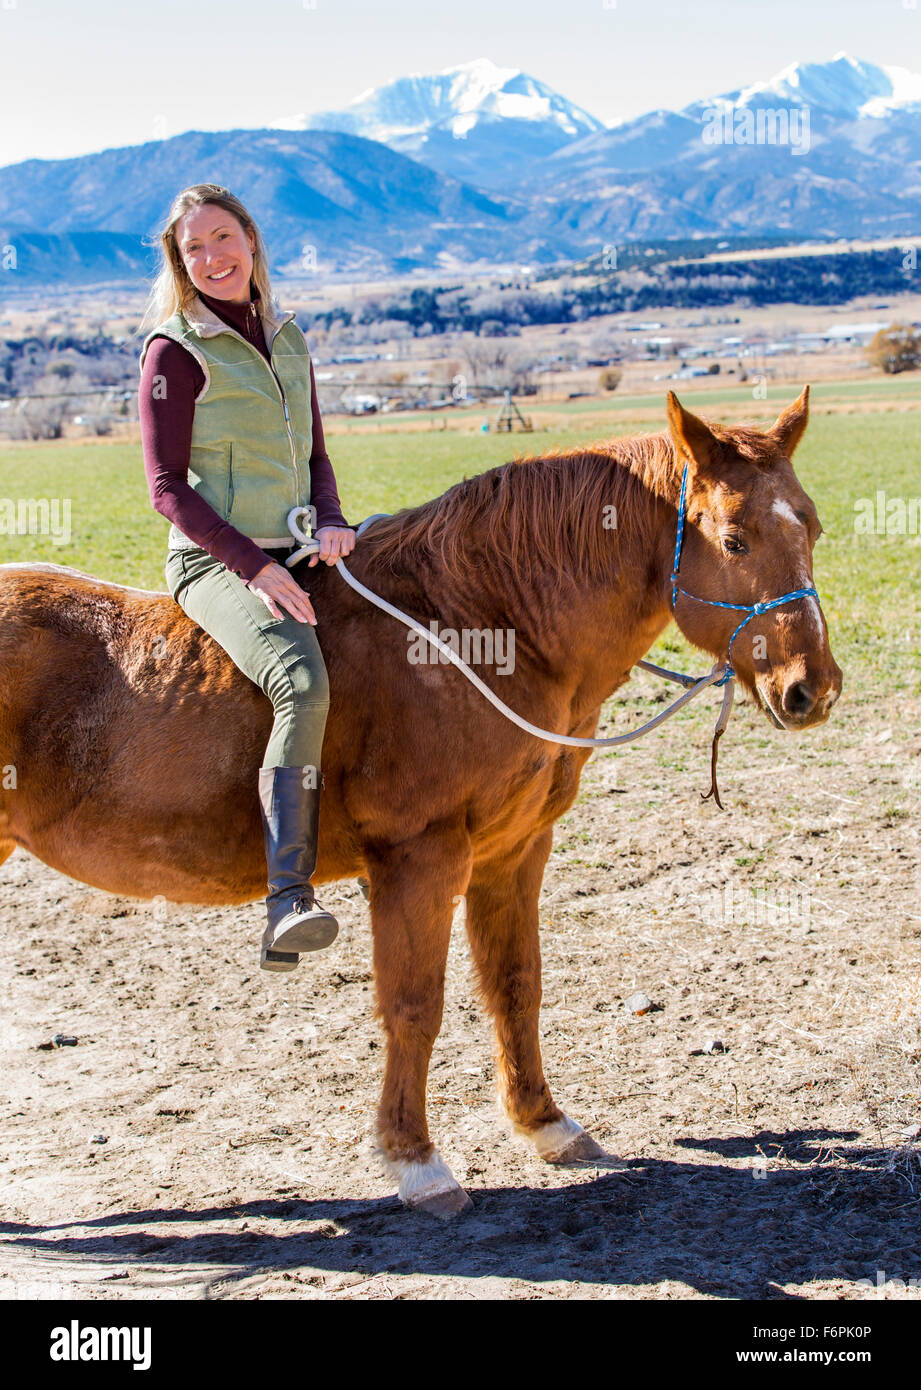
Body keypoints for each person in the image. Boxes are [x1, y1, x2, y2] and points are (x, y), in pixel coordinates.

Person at [137, 183, 356, 973]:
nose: (212, 257)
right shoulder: (174, 351)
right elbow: (166, 487)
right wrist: (255, 565)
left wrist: (331, 518)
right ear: (180, 263)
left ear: (252, 241)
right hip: (215, 558)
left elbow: (315, 455)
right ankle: (287, 899)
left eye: (223, 238)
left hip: (303, 544)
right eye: (194, 248)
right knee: (300, 680)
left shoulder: (287, 337)